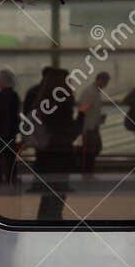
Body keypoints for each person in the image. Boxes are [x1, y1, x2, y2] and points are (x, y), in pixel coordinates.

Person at [24, 65, 79, 219]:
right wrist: (82, 115)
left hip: (45, 152)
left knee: (48, 194)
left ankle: (45, 220)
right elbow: (70, 132)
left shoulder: (38, 96)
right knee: (58, 194)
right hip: (60, 153)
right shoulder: (63, 100)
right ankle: (53, 220)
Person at [75, 71, 112, 177]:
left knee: (93, 150)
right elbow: (83, 110)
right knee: (91, 151)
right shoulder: (90, 92)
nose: (105, 85)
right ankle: (87, 172)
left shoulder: (95, 92)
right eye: (105, 82)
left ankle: (88, 171)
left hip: (92, 126)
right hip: (89, 127)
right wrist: (85, 128)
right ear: (99, 80)